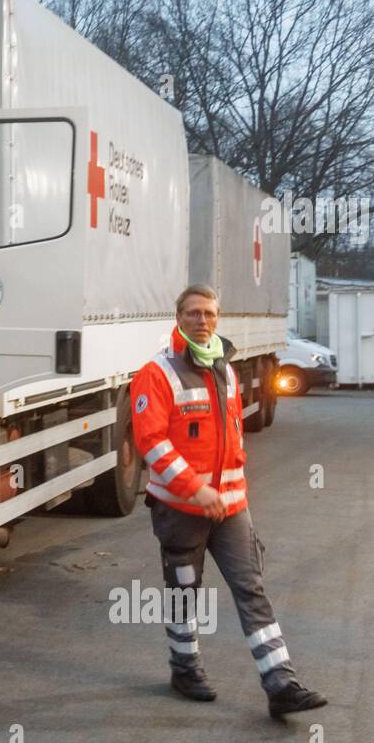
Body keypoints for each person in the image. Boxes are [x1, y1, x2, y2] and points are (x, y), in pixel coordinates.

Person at [129, 283, 328, 719]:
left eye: (210, 313)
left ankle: (281, 684)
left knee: (251, 588)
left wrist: (228, 494)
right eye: (194, 313)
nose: (202, 320)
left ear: (218, 319)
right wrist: (195, 490)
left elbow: (232, 440)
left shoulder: (227, 369)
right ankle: (185, 669)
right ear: (178, 317)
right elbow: (151, 442)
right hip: (182, 509)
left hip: (231, 509)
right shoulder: (156, 374)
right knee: (184, 592)